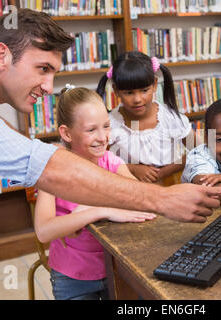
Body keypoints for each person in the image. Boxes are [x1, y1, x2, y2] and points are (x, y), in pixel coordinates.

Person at [0, 8, 221, 224]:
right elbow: (42, 168)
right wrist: (161, 199)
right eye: (42, 69)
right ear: (2, 56)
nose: (48, 87)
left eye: (53, 73)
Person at [34, 86, 156, 300]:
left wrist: (78, 218)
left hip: (117, 268)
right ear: (66, 133)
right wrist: (98, 211)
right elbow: (44, 231)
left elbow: (142, 200)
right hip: (73, 279)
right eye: (91, 130)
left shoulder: (111, 162)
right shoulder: (52, 171)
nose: (103, 137)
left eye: (106, 126)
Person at [96, 51, 195, 184]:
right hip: (130, 186)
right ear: (116, 91)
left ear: (154, 85)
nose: (137, 99)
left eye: (144, 90)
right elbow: (98, 161)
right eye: (129, 93)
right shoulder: (110, 123)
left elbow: (200, 149)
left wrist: (164, 172)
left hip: (172, 182)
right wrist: (133, 169)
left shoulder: (170, 117)